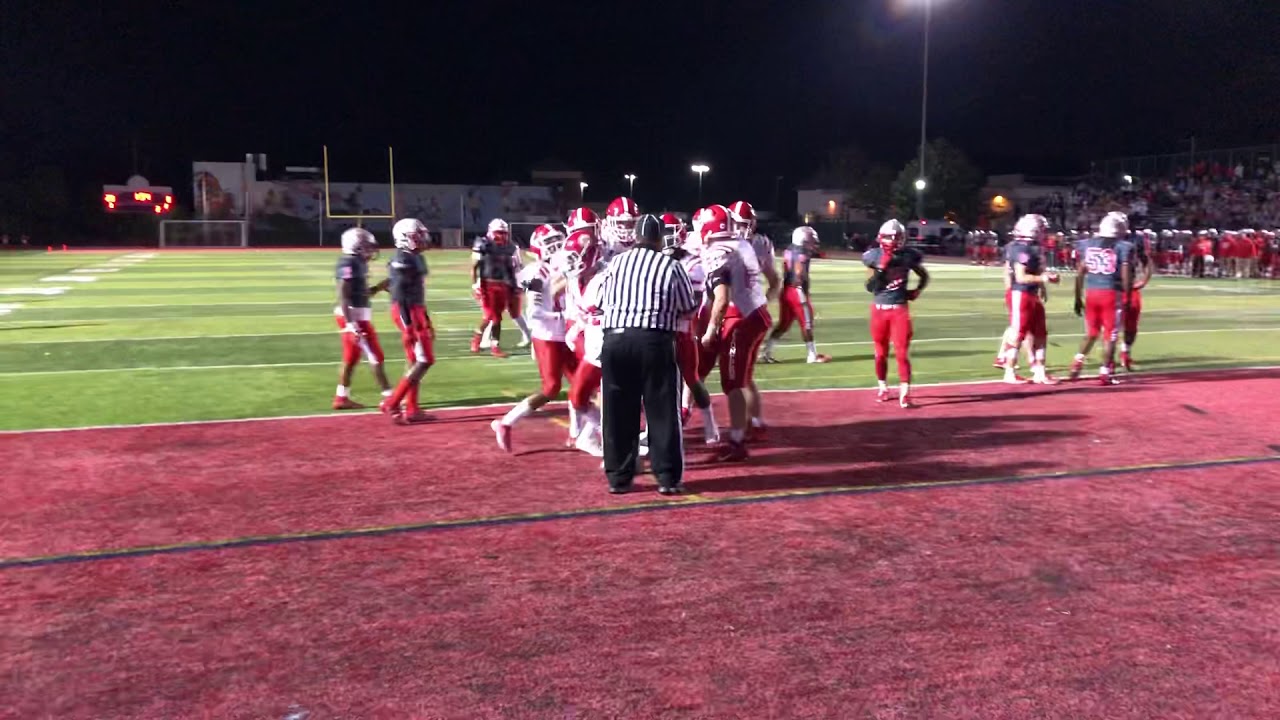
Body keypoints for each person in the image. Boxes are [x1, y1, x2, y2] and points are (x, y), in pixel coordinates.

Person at [599, 214, 698, 494]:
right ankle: (666, 477)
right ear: (659, 238)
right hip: (654, 340)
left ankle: (619, 478)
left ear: (635, 236)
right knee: (662, 410)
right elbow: (687, 308)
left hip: (615, 340)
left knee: (617, 412)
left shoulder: (615, 263)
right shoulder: (671, 266)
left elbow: (598, 301)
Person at [491, 224, 577, 451]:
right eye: (550, 243)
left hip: (567, 333)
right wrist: (563, 315)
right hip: (548, 335)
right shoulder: (539, 272)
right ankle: (506, 423)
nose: (556, 246)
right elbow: (535, 312)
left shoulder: (567, 265)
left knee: (581, 385)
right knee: (551, 388)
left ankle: (576, 434)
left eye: (558, 240)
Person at [701, 204, 771, 461]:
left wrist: (710, 330)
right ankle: (751, 426)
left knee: (732, 383)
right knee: (741, 379)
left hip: (742, 319)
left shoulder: (718, 251)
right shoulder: (742, 243)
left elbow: (721, 299)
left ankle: (737, 442)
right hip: (756, 313)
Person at [660, 212, 720, 446]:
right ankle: (664, 425)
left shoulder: (693, 263)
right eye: (663, 232)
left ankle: (710, 423)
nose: (666, 237)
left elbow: (691, 304)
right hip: (661, 329)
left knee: (692, 378)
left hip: (684, 328)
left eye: (670, 232)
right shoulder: (655, 259)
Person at [861, 219, 929, 408]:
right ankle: (882, 387)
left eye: (895, 237)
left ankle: (905, 393)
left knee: (902, 353)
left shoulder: (908, 255)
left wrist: (917, 290)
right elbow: (870, 287)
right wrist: (881, 268)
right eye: (888, 237)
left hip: (899, 309)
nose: (891, 241)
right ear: (880, 237)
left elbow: (924, 275)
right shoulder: (873, 256)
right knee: (880, 353)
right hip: (879, 309)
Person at [728, 200, 778, 437]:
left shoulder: (756, 244)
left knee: (737, 376)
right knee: (745, 375)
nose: (742, 228)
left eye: (745, 224)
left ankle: (739, 435)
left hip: (742, 317)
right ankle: (756, 423)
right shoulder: (752, 244)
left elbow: (775, 281)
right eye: (738, 224)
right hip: (749, 315)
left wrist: (762, 302)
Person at [379, 218, 436, 424]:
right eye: (416, 235)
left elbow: (417, 293)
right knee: (424, 360)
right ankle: (394, 403)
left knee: (415, 360)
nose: (421, 238)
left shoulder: (415, 257)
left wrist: (426, 319)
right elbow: (400, 295)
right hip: (406, 311)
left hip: (415, 309)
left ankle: (412, 408)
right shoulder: (402, 259)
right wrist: (409, 325)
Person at [1069, 211, 1134, 385]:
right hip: (1111, 293)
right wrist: (1128, 296)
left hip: (1092, 292)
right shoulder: (1123, 246)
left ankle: (1077, 363)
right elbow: (1126, 274)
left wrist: (1077, 297)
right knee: (1110, 335)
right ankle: (1105, 372)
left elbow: (1080, 273)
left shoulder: (1087, 244)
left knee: (1091, 333)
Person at [332, 227, 392, 410]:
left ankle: (341, 397)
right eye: (366, 246)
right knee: (376, 356)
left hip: (355, 315)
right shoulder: (349, 263)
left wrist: (378, 288)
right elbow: (343, 295)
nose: (370, 250)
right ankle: (390, 397)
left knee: (350, 358)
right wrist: (351, 324)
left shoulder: (357, 263)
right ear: (355, 246)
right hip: (353, 316)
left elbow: (360, 293)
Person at [997, 214, 1059, 385]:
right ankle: (1009, 371)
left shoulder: (1026, 247)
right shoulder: (1022, 249)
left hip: (1029, 294)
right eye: (1041, 229)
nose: (1043, 233)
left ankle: (1039, 372)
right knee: (1018, 333)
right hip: (1021, 293)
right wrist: (1044, 279)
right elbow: (1021, 277)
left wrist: (1042, 286)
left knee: (1040, 333)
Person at [760, 225, 832, 364]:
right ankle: (812, 355)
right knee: (807, 323)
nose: (813, 244)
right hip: (797, 291)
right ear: (803, 240)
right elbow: (799, 270)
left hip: (786, 290)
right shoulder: (802, 252)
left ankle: (766, 352)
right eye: (810, 240)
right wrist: (801, 283)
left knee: (783, 324)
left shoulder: (789, 249)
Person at [470, 218, 519, 357]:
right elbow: (474, 267)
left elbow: (510, 269)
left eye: (503, 233)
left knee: (497, 317)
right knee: (490, 316)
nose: (501, 236)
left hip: (503, 284)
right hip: (487, 284)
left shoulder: (509, 247)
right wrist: (475, 285)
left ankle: (493, 345)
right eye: (498, 232)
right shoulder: (483, 244)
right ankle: (478, 340)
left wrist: (514, 286)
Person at [1120, 228, 1154, 370]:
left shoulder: (1135, 239)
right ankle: (1107, 362)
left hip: (1130, 287)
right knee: (1109, 326)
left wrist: (1144, 280)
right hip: (1110, 287)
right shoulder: (1104, 239)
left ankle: (1125, 352)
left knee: (1131, 325)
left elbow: (1146, 260)